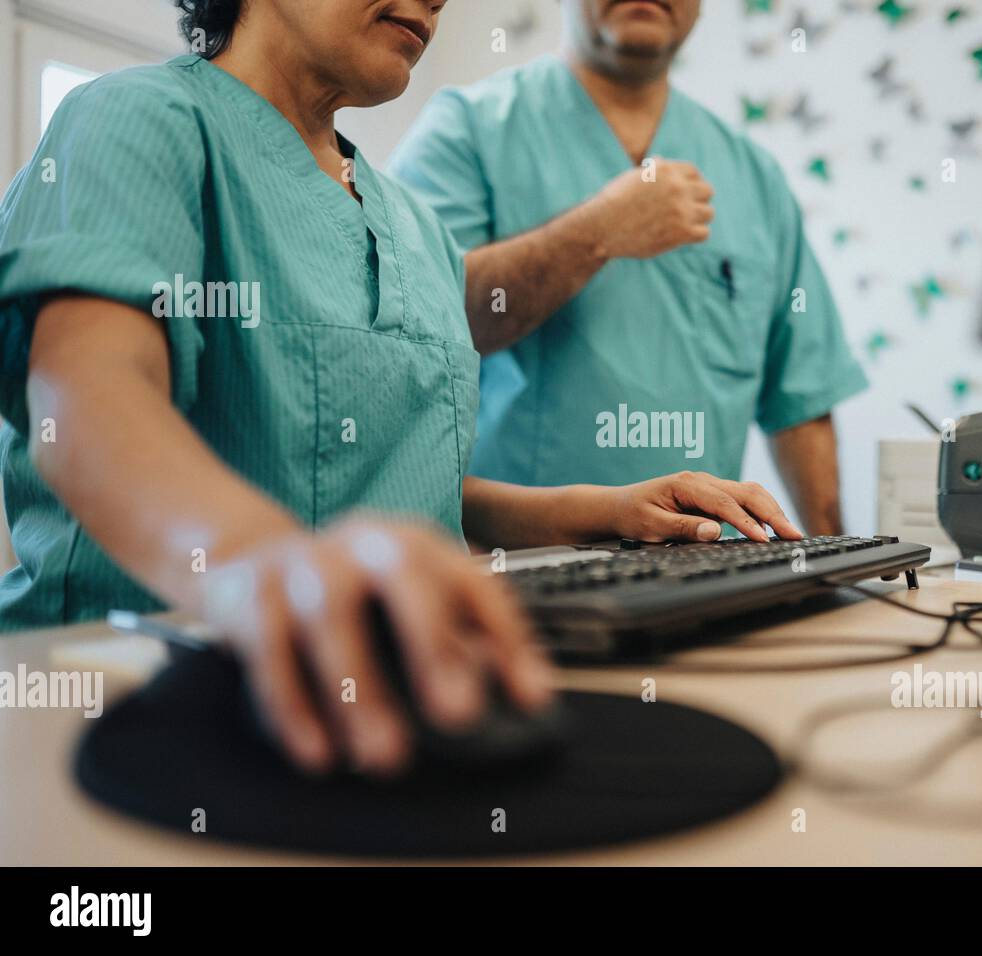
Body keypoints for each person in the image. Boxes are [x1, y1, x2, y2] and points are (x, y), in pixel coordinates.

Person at [0, 0, 801, 775]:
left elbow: (404, 483)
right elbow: (87, 406)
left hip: (388, 700)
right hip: (120, 704)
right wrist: (262, 568)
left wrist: (600, 510)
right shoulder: (135, 121)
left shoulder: (417, 225)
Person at [388, 0, 867, 536]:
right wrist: (595, 234)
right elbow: (415, 332)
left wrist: (838, 566)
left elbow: (800, 399)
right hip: (509, 567)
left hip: (708, 567)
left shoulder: (754, 177)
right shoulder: (465, 132)